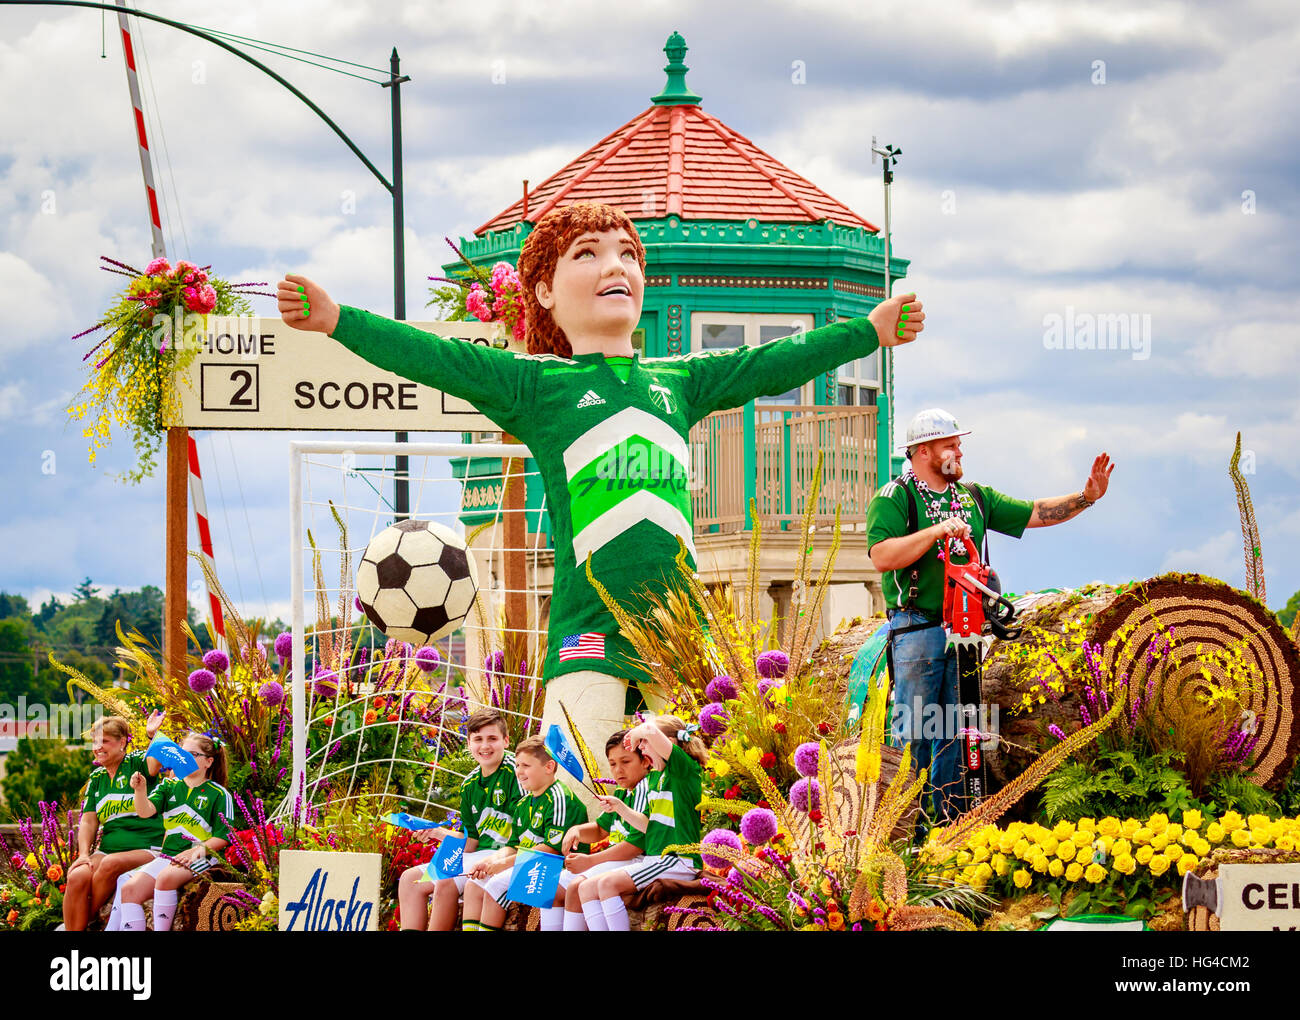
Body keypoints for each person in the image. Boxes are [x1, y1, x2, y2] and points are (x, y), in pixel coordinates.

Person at [275, 201, 925, 796]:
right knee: (583, 809)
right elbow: (437, 357)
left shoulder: (683, 381)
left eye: (627, 254)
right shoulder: (536, 386)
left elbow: (775, 361)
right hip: (585, 641)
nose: (615, 265)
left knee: (699, 809)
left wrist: (867, 331)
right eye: (587, 252)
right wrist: (337, 320)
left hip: (683, 645)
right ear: (544, 292)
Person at [866, 408, 1114, 821]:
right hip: (917, 631)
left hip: (966, 633)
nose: (959, 450)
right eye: (951, 444)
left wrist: (1086, 497)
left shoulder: (974, 497)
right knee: (913, 737)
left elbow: (1034, 512)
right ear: (923, 450)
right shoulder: (896, 497)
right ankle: (900, 836)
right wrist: (936, 531)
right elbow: (881, 556)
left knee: (958, 740)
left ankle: (948, 833)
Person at [577, 714, 706, 932]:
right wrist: (620, 807)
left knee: (606, 885)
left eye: (644, 744)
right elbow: (648, 825)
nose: (642, 749)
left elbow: (652, 731)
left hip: (678, 861)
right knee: (588, 888)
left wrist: (639, 732)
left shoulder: (683, 770)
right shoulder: (656, 778)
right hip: (657, 859)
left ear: (670, 744)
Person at [395, 708, 522, 931]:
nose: (485, 746)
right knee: (409, 880)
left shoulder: (517, 773)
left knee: (446, 882)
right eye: (478, 739)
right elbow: (471, 842)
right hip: (479, 854)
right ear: (468, 743)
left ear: (506, 741)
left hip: (506, 855)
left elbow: (523, 837)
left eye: (492, 738)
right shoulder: (470, 783)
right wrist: (437, 833)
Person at [460, 735, 585, 931]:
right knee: (474, 883)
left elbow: (551, 850)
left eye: (526, 766)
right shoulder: (523, 804)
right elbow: (512, 845)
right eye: (517, 765)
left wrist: (503, 865)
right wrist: (490, 861)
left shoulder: (560, 798)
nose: (519, 772)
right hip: (526, 863)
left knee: (496, 884)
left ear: (549, 767)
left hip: (556, 867)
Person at [117, 731, 233, 931]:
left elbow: (224, 836)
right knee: (129, 889)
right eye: (182, 753)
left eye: (193, 754)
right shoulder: (168, 786)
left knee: (166, 878)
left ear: (208, 762)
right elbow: (145, 812)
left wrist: (194, 851)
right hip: (168, 856)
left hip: (202, 856)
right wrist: (140, 790)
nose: (184, 758)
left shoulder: (219, 794)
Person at [62, 712, 165, 931]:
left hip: (148, 847)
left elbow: (156, 762)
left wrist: (153, 734)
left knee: (110, 864)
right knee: (78, 875)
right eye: (95, 742)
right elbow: (89, 822)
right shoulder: (97, 779)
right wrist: (83, 855)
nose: (98, 747)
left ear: (122, 742)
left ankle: (84, 919)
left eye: (105, 741)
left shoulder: (137, 762)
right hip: (107, 849)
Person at [555, 728, 651, 931]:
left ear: (645, 761)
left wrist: (590, 861)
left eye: (626, 762)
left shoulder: (645, 789)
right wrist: (577, 830)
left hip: (633, 860)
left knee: (575, 888)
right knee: (551, 888)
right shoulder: (623, 791)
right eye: (613, 764)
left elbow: (635, 845)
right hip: (614, 860)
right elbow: (600, 829)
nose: (618, 770)